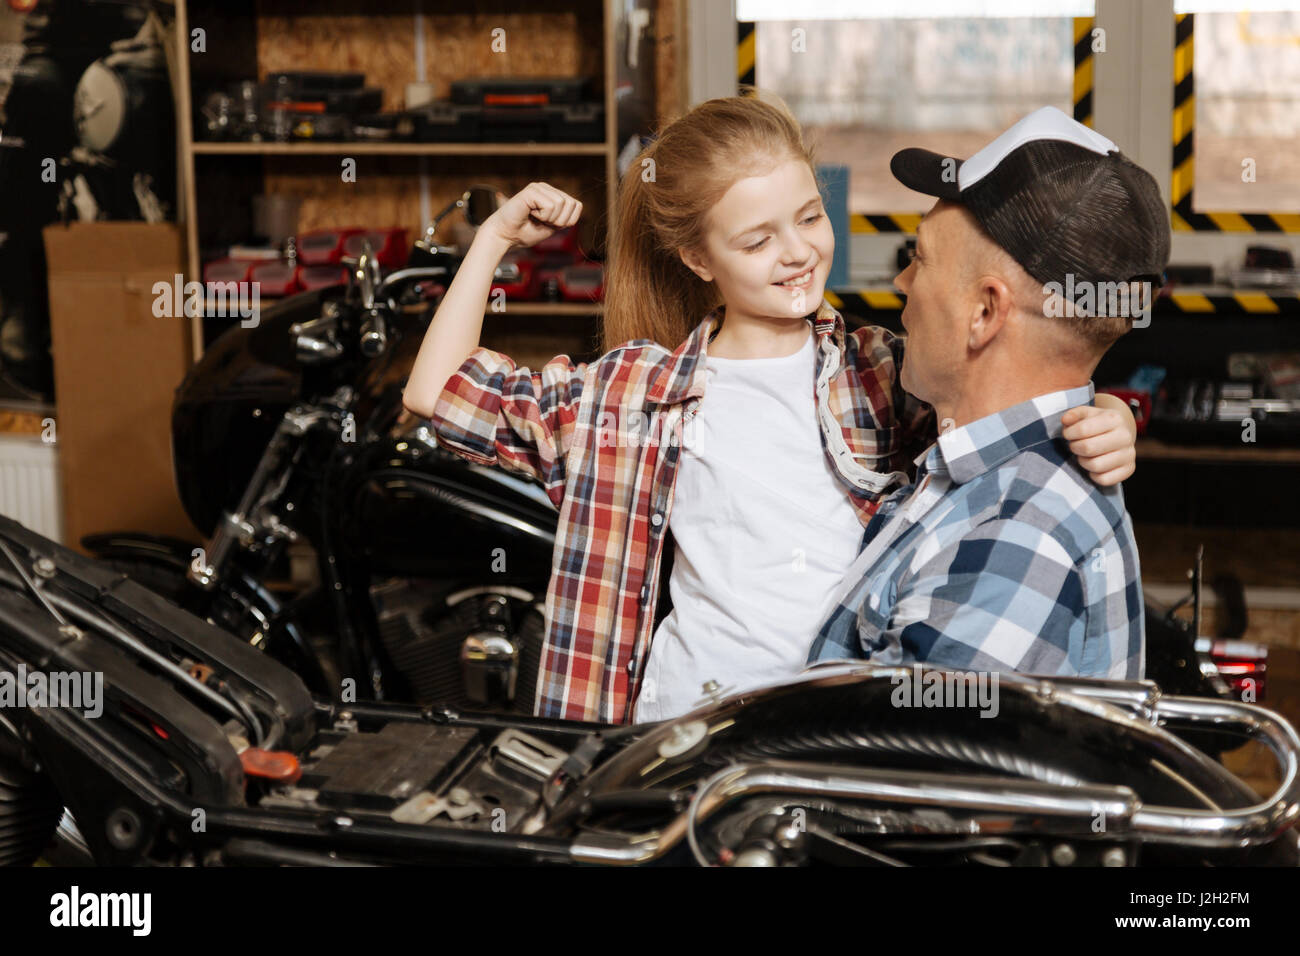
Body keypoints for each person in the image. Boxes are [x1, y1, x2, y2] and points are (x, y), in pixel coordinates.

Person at [402, 95, 1139, 724]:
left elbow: (1009, 408)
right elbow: (434, 392)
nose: (796, 254)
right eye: (757, 240)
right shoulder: (631, 392)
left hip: (825, 734)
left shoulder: (878, 366)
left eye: (810, 217)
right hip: (681, 724)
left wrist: (1106, 414)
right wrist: (493, 240)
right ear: (698, 259)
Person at [808, 107, 1164, 680]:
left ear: (985, 311)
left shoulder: (1015, 541)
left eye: (919, 258)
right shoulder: (985, 471)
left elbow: (872, 766)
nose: (901, 283)